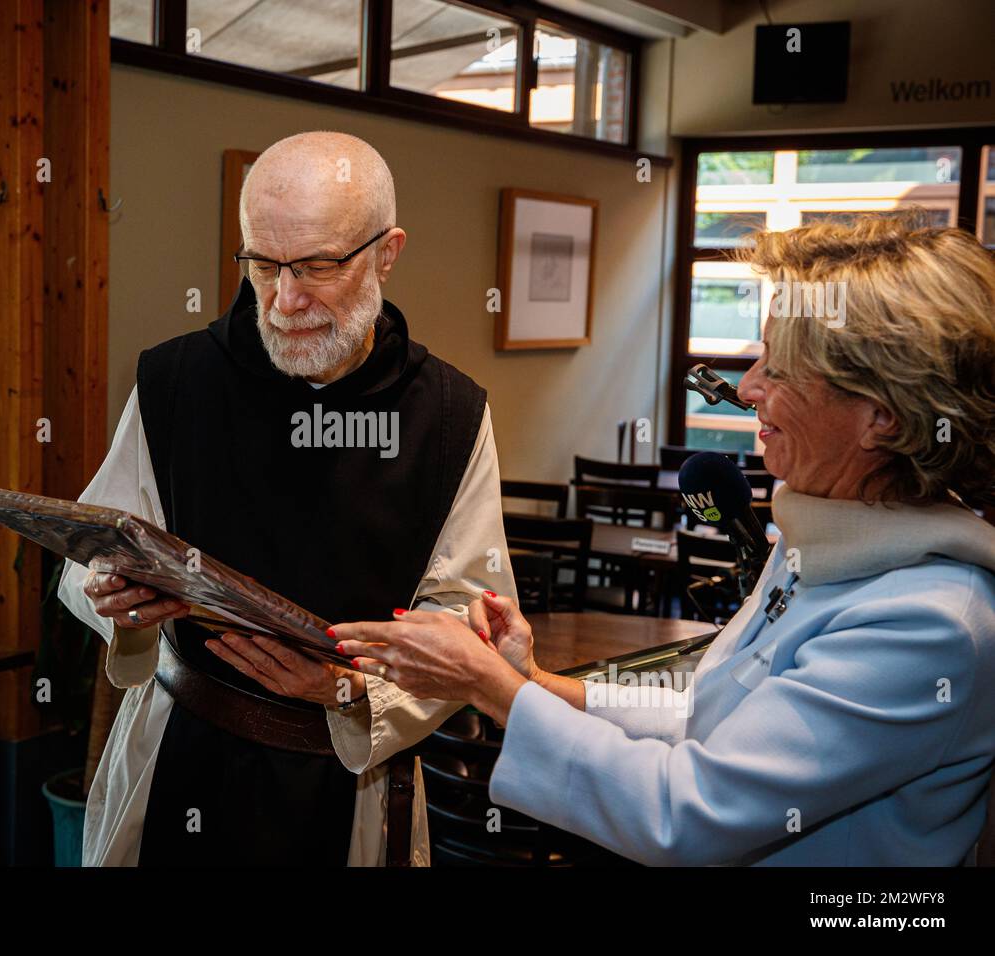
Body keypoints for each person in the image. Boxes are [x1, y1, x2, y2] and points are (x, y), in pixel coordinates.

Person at [334, 216, 995, 865]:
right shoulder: (824, 538)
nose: (747, 387)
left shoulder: (927, 623)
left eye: (782, 368)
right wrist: (528, 680)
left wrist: (491, 689)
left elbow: (690, 810)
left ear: (880, 414)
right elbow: (703, 714)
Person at [58, 130, 515, 866]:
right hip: (181, 747)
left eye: (318, 265)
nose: (285, 299)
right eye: (263, 265)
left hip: (353, 776)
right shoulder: (178, 382)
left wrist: (348, 691)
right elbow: (91, 554)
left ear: (387, 253)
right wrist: (114, 596)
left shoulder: (449, 414)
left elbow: (467, 616)